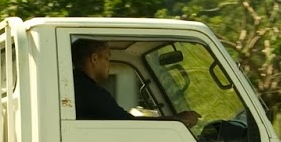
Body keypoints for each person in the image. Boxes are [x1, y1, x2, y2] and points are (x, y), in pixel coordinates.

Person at [70, 38, 199, 126]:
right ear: (94, 58)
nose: (109, 64)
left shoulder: (76, 86)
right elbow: (129, 124)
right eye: (107, 58)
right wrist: (177, 120)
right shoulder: (90, 93)